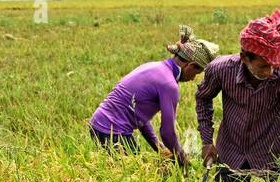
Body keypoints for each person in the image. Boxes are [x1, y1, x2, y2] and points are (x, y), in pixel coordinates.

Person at [195, 9, 280, 182]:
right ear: (245, 58)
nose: (270, 72)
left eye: (274, 64)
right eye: (264, 66)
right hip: (232, 150)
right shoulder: (221, 70)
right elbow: (203, 98)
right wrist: (206, 141)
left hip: (274, 151)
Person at [89, 25, 218, 166]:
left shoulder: (154, 67)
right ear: (191, 65)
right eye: (195, 73)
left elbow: (138, 115)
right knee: (134, 176)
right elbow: (167, 132)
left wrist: (158, 146)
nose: (193, 78)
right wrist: (182, 160)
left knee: (116, 171)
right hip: (114, 132)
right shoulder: (169, 84)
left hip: (97, 124)